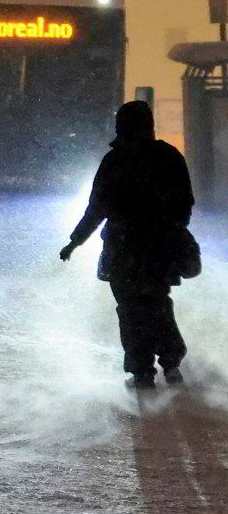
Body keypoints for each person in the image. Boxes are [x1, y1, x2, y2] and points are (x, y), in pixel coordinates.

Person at [61, 100, 195, 389]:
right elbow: (184, 203)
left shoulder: (114, 161)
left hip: (123, 250)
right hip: (160, 248)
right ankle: (171, 364)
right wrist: (172, 229)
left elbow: (96, 209)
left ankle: (142, 373)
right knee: (158, 303)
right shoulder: (169, 157)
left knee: (131, 310)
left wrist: (74, 242)